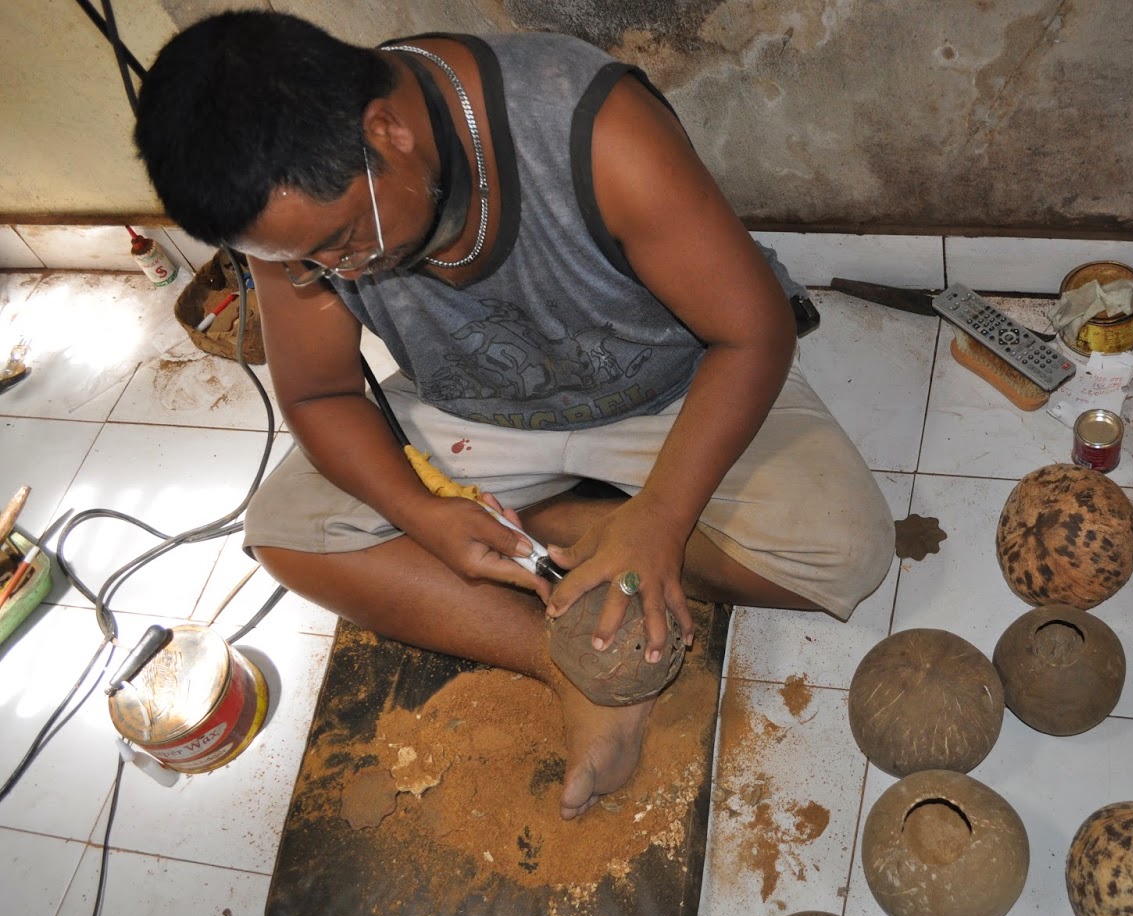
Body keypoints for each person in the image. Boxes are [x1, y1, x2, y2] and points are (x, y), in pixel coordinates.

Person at [133, 12, 893, 819]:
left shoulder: (590, 130)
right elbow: (320, 394)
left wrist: (662, 517)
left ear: (385, 131)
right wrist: (422, 515)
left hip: (671, 386)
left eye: (345, 239)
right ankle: (572, 665)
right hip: (475, 408)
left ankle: (581, 523)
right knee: (287, 530)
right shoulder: (296, 218)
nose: (334, 273)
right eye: (304, 260)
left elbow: (752, 333)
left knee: (844, 553)